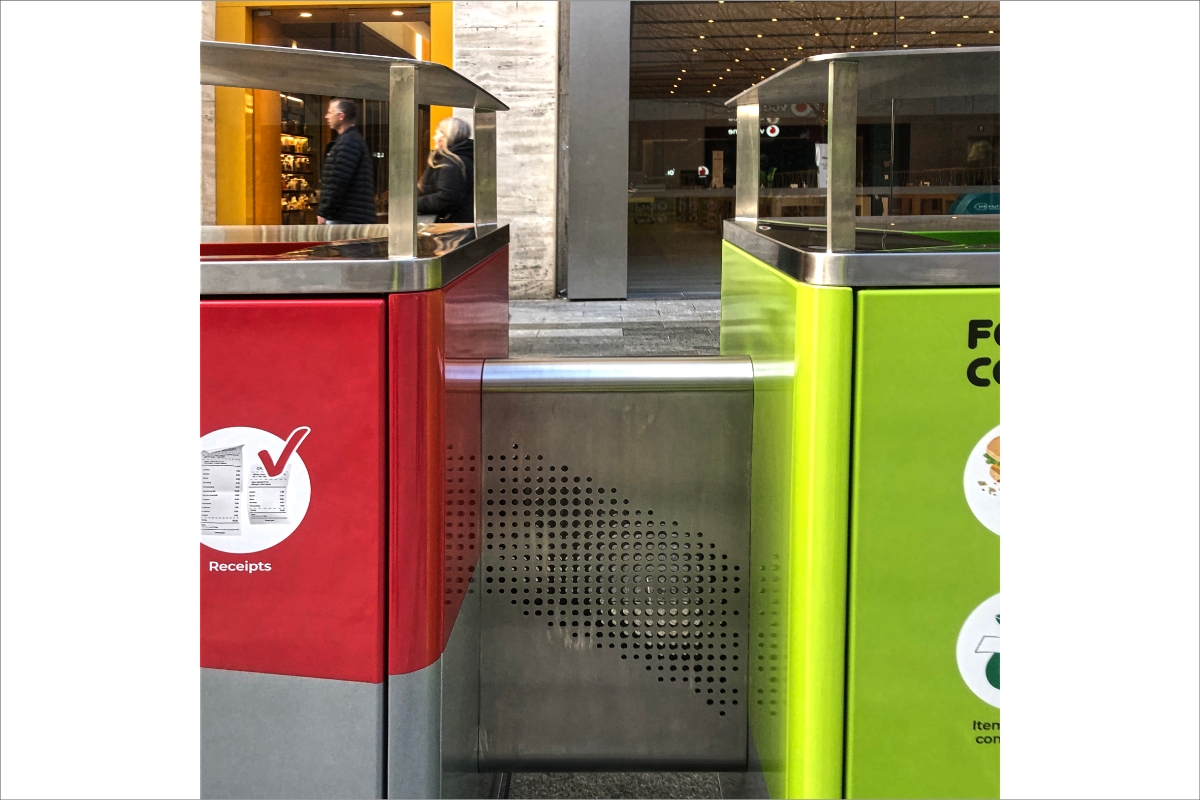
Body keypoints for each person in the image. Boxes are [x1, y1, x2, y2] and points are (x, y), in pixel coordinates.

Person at [316, 98, 376, 225]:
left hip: (346, 216)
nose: (327, 116)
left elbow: (337, 180)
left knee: (342, 245)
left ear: (341, 116)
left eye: (330, 112)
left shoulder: (348, 143)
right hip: (352, 214)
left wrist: (324, 211)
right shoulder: (351, 140)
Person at [417, 117, 474, 223]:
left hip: (449, 227)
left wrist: (412, 204)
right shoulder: (462, 159)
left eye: (437, 133)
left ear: (446, 136)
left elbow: (447, 198)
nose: (434, 137)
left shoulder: (452, 163)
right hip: (460, 225)